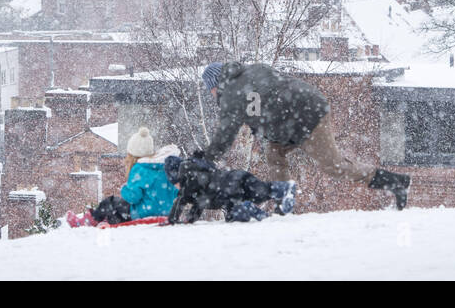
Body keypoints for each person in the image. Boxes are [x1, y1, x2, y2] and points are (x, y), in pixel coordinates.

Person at [199, 61, 410, 209]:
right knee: (273, 154)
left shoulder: (233, 93)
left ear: (218, 84)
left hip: (308, 119)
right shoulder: (254, 69)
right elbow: (269, 97)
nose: (211, 94)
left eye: (211, 89)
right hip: (292, 119)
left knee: (333, 166)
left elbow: (226, 133)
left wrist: (207, 158)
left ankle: (395, 182)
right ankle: (285, 200)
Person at [164, 153, 295, 224]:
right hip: (236, 177)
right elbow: (199, 204)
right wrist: (189, 219)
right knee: (261, 192)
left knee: (235, 216)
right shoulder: (199, 169)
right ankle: (284, 188)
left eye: (174, 182)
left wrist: (172, 220)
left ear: (175, 174)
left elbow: (182, 199)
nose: (175, 186)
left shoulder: (187, 175)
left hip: (229, 191)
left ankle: (246, 208)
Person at [120, 132, 181, 220]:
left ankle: (97, 219)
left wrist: (124, 189)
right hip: (167, 214)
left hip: (142, 214)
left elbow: (133, 197)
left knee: (115, 204)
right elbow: (176, 192)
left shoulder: (139, 168)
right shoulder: (167, 167)